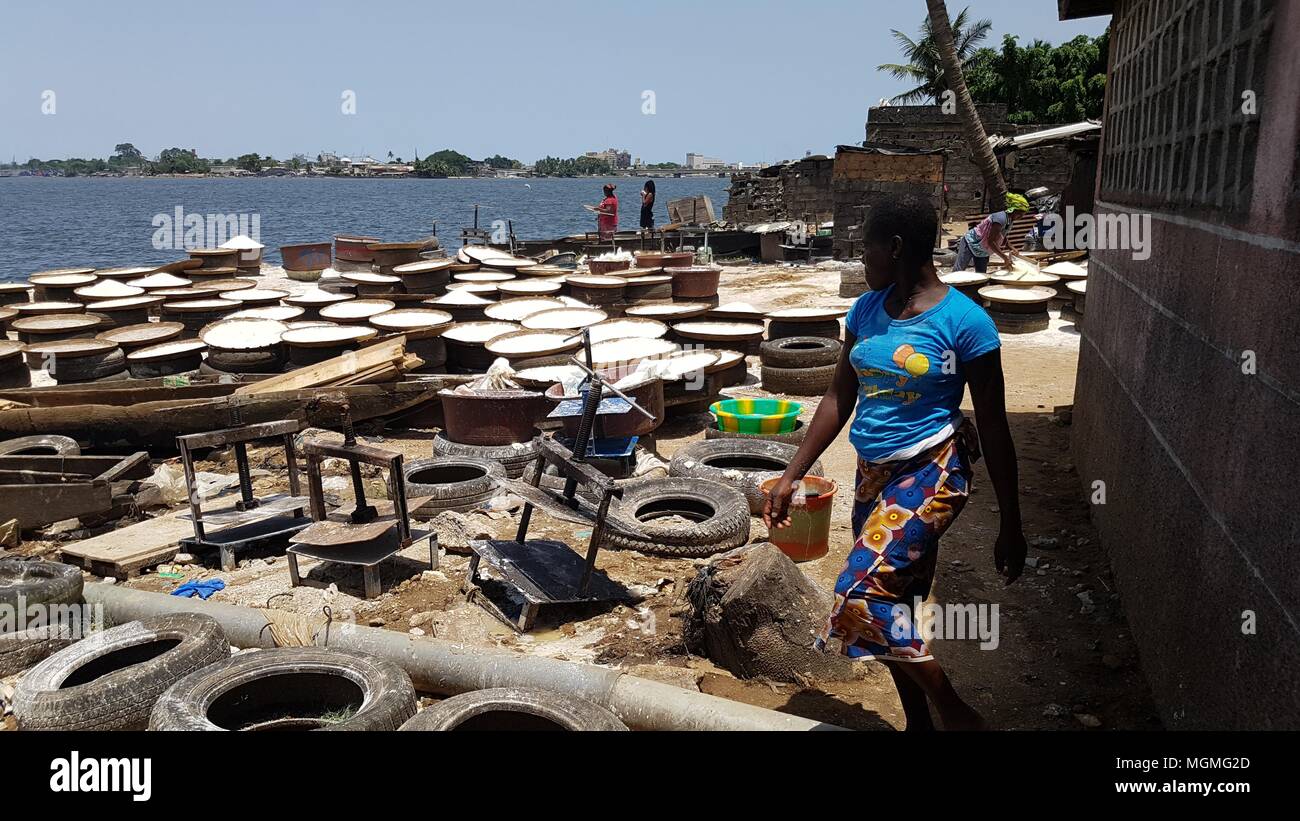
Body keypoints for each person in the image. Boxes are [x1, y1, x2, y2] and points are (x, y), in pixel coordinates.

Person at [764, 194, 1027, 731]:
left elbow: (997, 428)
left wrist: (1012, 524)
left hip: (933, 470)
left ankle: (956, 714)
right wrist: (793, 473)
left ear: (898, 248)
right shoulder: (865, 311)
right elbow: (839, 395)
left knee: (858, 593)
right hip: (873, 474)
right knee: (900, 602)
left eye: (868, 251)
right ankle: (919, 725)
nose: (863, 263)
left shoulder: (967, 324)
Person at [953, 192, 1030, 272]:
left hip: (983, 249)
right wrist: (1004, 257)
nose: (1021, 217)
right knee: (958, 271)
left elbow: (1001, 236)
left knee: (981, 275)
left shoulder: (1009, 220)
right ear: (1014, 210)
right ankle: (950, 284)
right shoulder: (1000, 219)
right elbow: (991, 241)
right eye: (1020, 214)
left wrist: (1012, 248)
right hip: (971, 243)